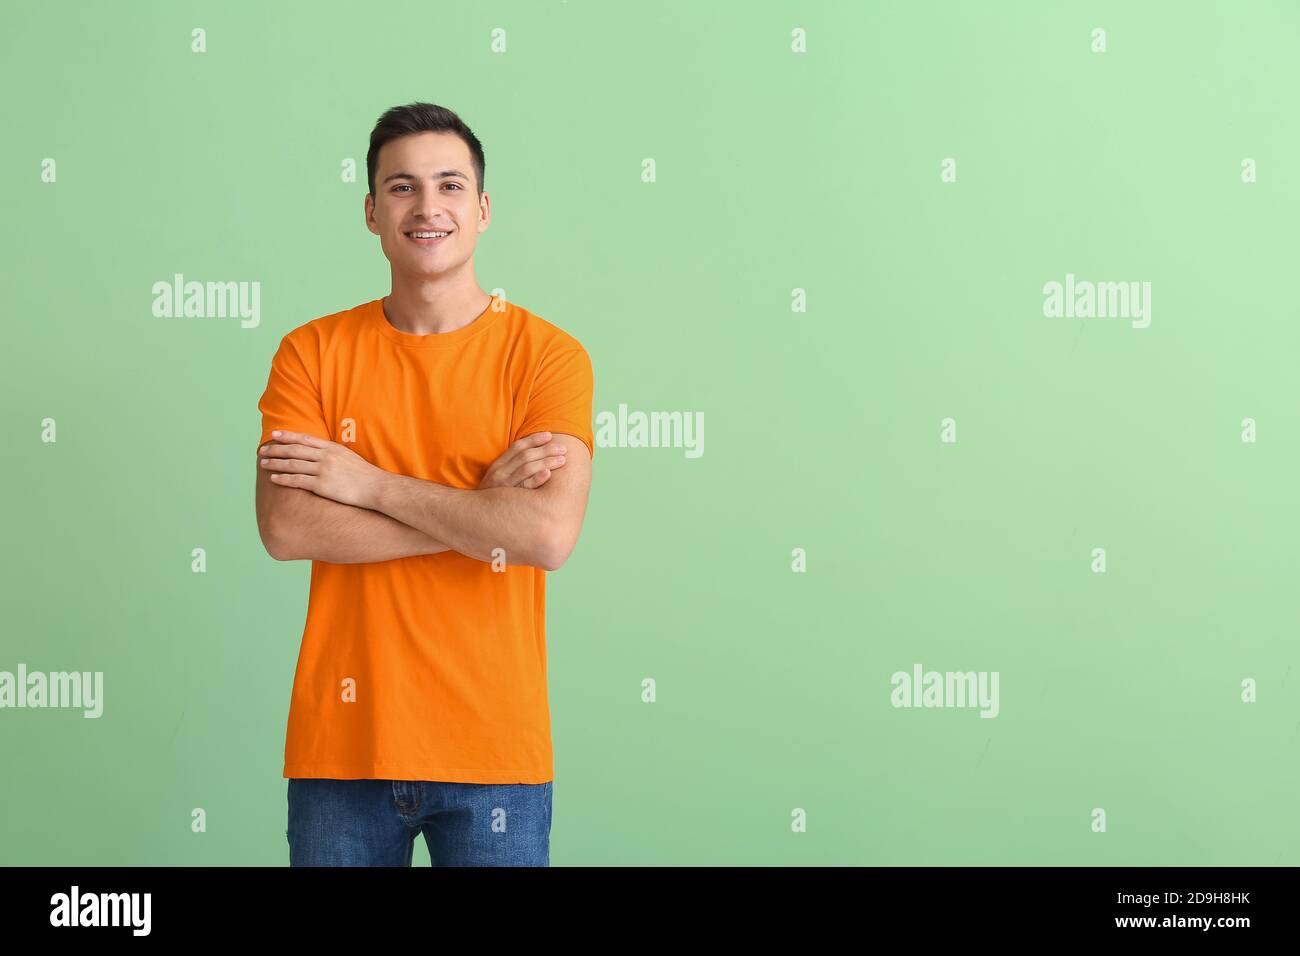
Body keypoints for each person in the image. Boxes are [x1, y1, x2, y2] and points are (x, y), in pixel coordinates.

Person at [253, 102, 595, 866]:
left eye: (449, 185)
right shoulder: (310, 353)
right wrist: (481, 510)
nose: (427, 206)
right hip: (341, 751)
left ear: (482, 209)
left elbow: (545, 536)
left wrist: (366, 484)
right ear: (372, 212)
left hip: (494, 757)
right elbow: (286, 530)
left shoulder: (548, 358)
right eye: (402, 187)